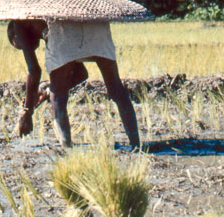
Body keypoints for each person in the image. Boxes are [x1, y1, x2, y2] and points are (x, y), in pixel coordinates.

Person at [9, 19, 140, 149]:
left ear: (14, 35)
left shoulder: (18, 23)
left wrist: (27, 112)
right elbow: (81, 74)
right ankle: (136, 144)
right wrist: (47, 92)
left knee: (58, 97)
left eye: (17, 45)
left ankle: (67, 148)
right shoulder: (50, 17)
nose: (23, 47)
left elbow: (34, 70)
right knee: (116, 89)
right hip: (98, 26)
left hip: (64, 32)